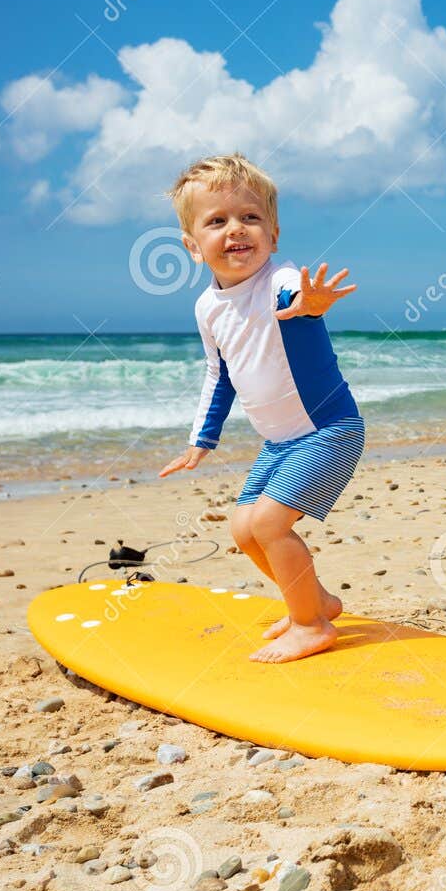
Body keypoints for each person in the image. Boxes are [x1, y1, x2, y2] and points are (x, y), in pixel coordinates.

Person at [156, 153, 362, 663]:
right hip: (280, 442)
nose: (235, 230)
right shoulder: (208, 308)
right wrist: (199, 441)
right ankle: (315, 602)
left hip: (329, 431)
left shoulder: (281, 281)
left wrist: (312, 304)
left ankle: (311, 626)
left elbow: (299, 299)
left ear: (273, 232)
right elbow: (218, 375)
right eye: (216, 221)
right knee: (244, 529)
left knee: (271, 525)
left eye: (250, 218)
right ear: (192, 245)